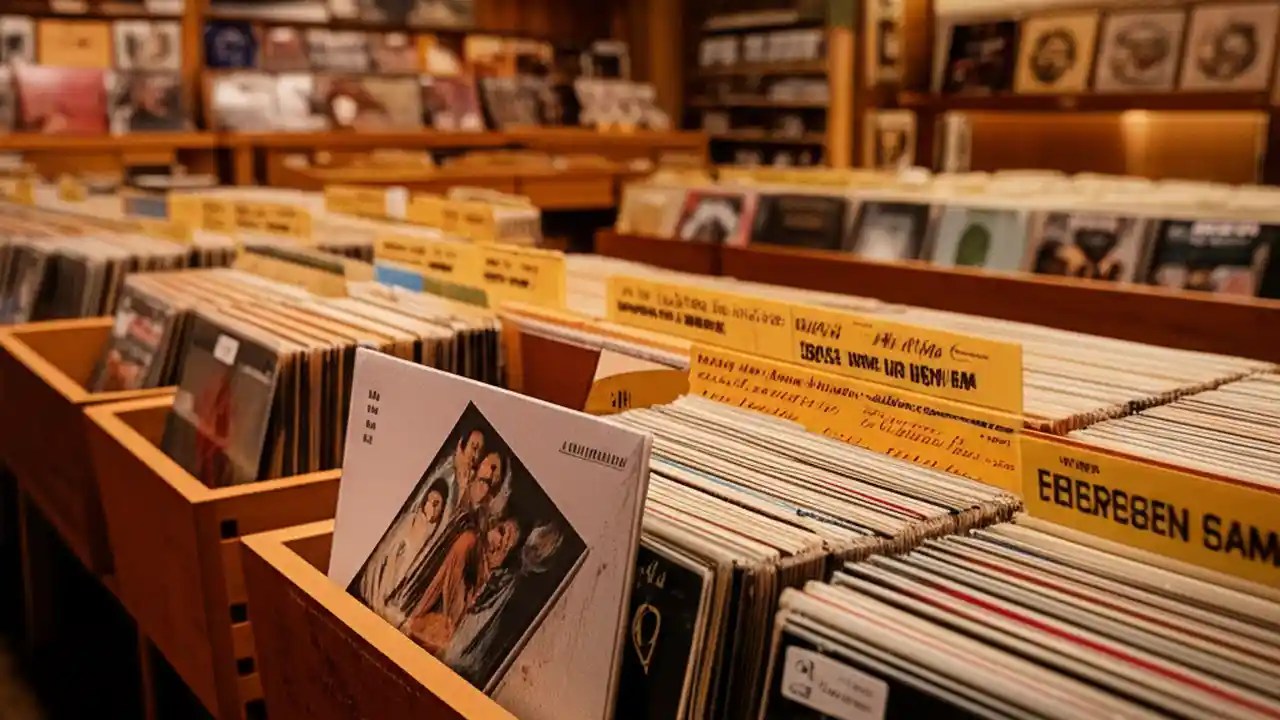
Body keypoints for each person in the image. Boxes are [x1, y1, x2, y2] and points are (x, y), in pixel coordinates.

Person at [443, 523, 565, 684]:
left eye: (539, 551)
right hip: (465, 642)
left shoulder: (522, 588)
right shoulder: (507, 572)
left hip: (475, 655)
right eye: (535, 548)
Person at [404, 514, 522, 655]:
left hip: (437, 636)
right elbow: (453, 599)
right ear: (493, 525)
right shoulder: (469, 541)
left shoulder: (487, 574)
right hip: (427, 620)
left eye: (505, 546)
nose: (499, 544)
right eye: (501, 532)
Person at [356, 478, 448, 625]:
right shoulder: (410, 521)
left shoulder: (436, 538)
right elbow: (387, 555)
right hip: (384, 588)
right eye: (431, 501)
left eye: (438, 504)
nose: (433, 507)